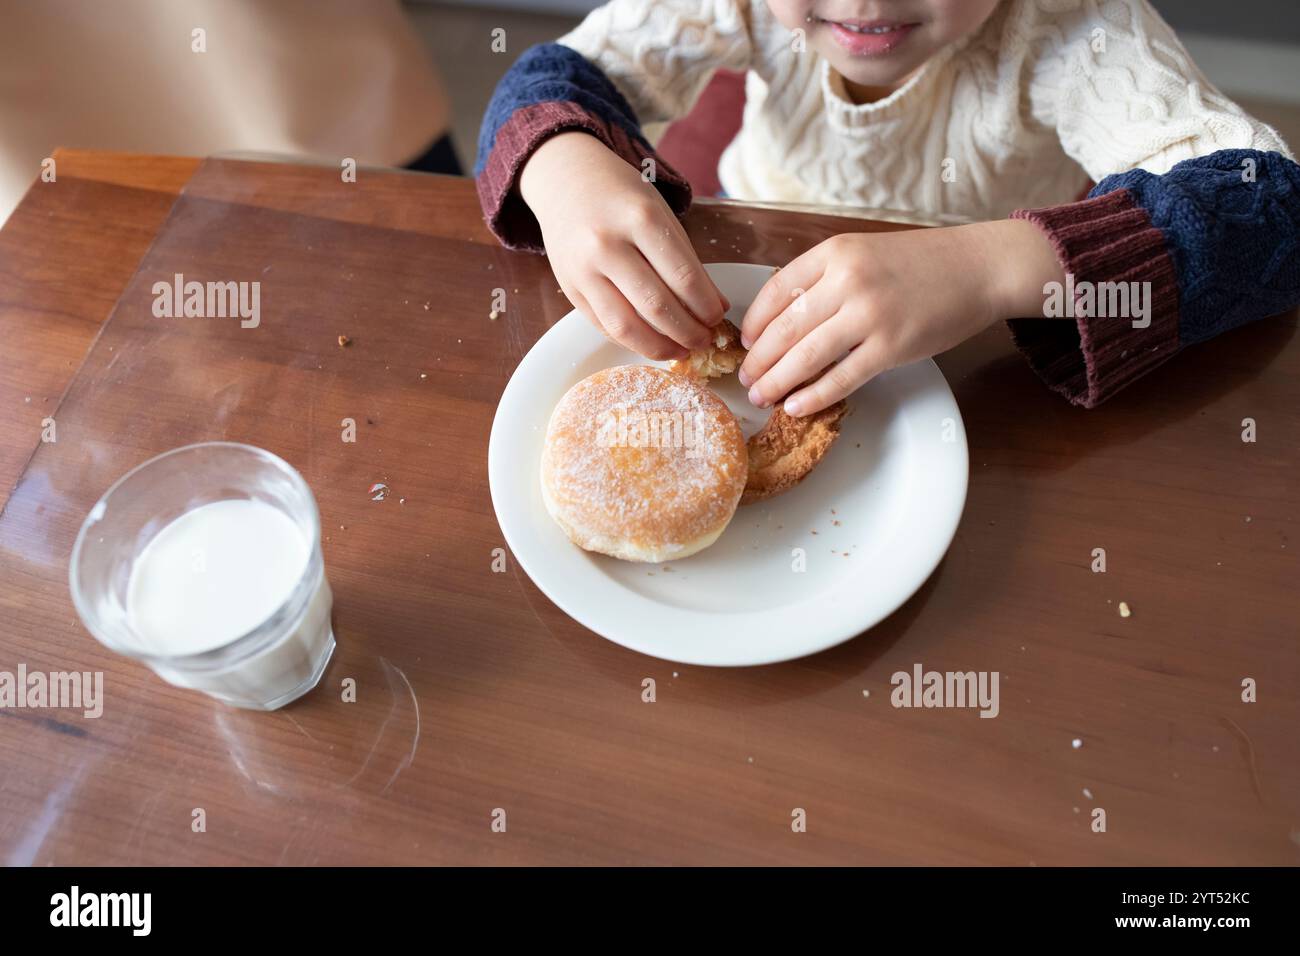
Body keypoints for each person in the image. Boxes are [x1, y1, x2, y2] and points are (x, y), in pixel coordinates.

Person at [475, 0, 1299, 414]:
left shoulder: (1070, 24)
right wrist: (561, 167)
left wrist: (988, 268)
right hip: (754, 259)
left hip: (975, 349)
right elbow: (559, 75)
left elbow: (1274, 209)